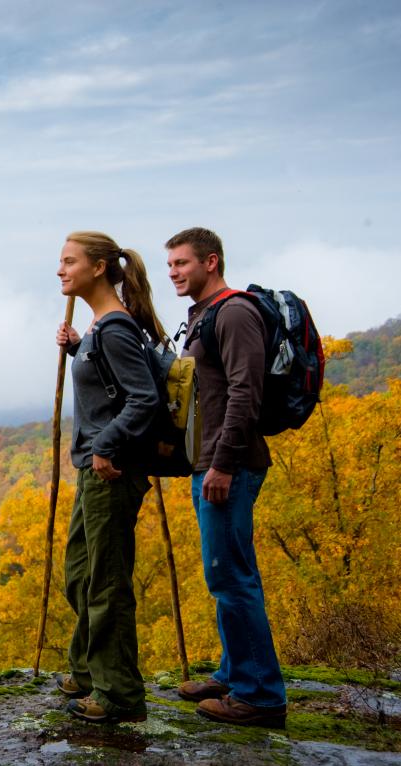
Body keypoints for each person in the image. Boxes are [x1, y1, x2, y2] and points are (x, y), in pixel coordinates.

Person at [166, 226, 287, 729]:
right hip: (214, 463)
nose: (174, 272)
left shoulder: (234, 313)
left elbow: (245, 393)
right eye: (170, 265)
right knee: (230, 573)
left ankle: (258, 696)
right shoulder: (204, 316)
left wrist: (222, 463)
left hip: (227, 466)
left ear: (211, 262)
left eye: (183, 264)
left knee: (231, 577)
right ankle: (235, 671)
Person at [53, 231, 165, 724]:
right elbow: (112, 386)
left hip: (111, 471)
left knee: (105, 580)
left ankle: (118, 692)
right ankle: (85, 666)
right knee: (80, 572)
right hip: (94, 469)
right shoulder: (102, 329)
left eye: (69, 261)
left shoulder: (116, 327)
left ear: (98, 268)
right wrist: (81, 349)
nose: (60, 270)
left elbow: (144, 399)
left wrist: (104, 444)